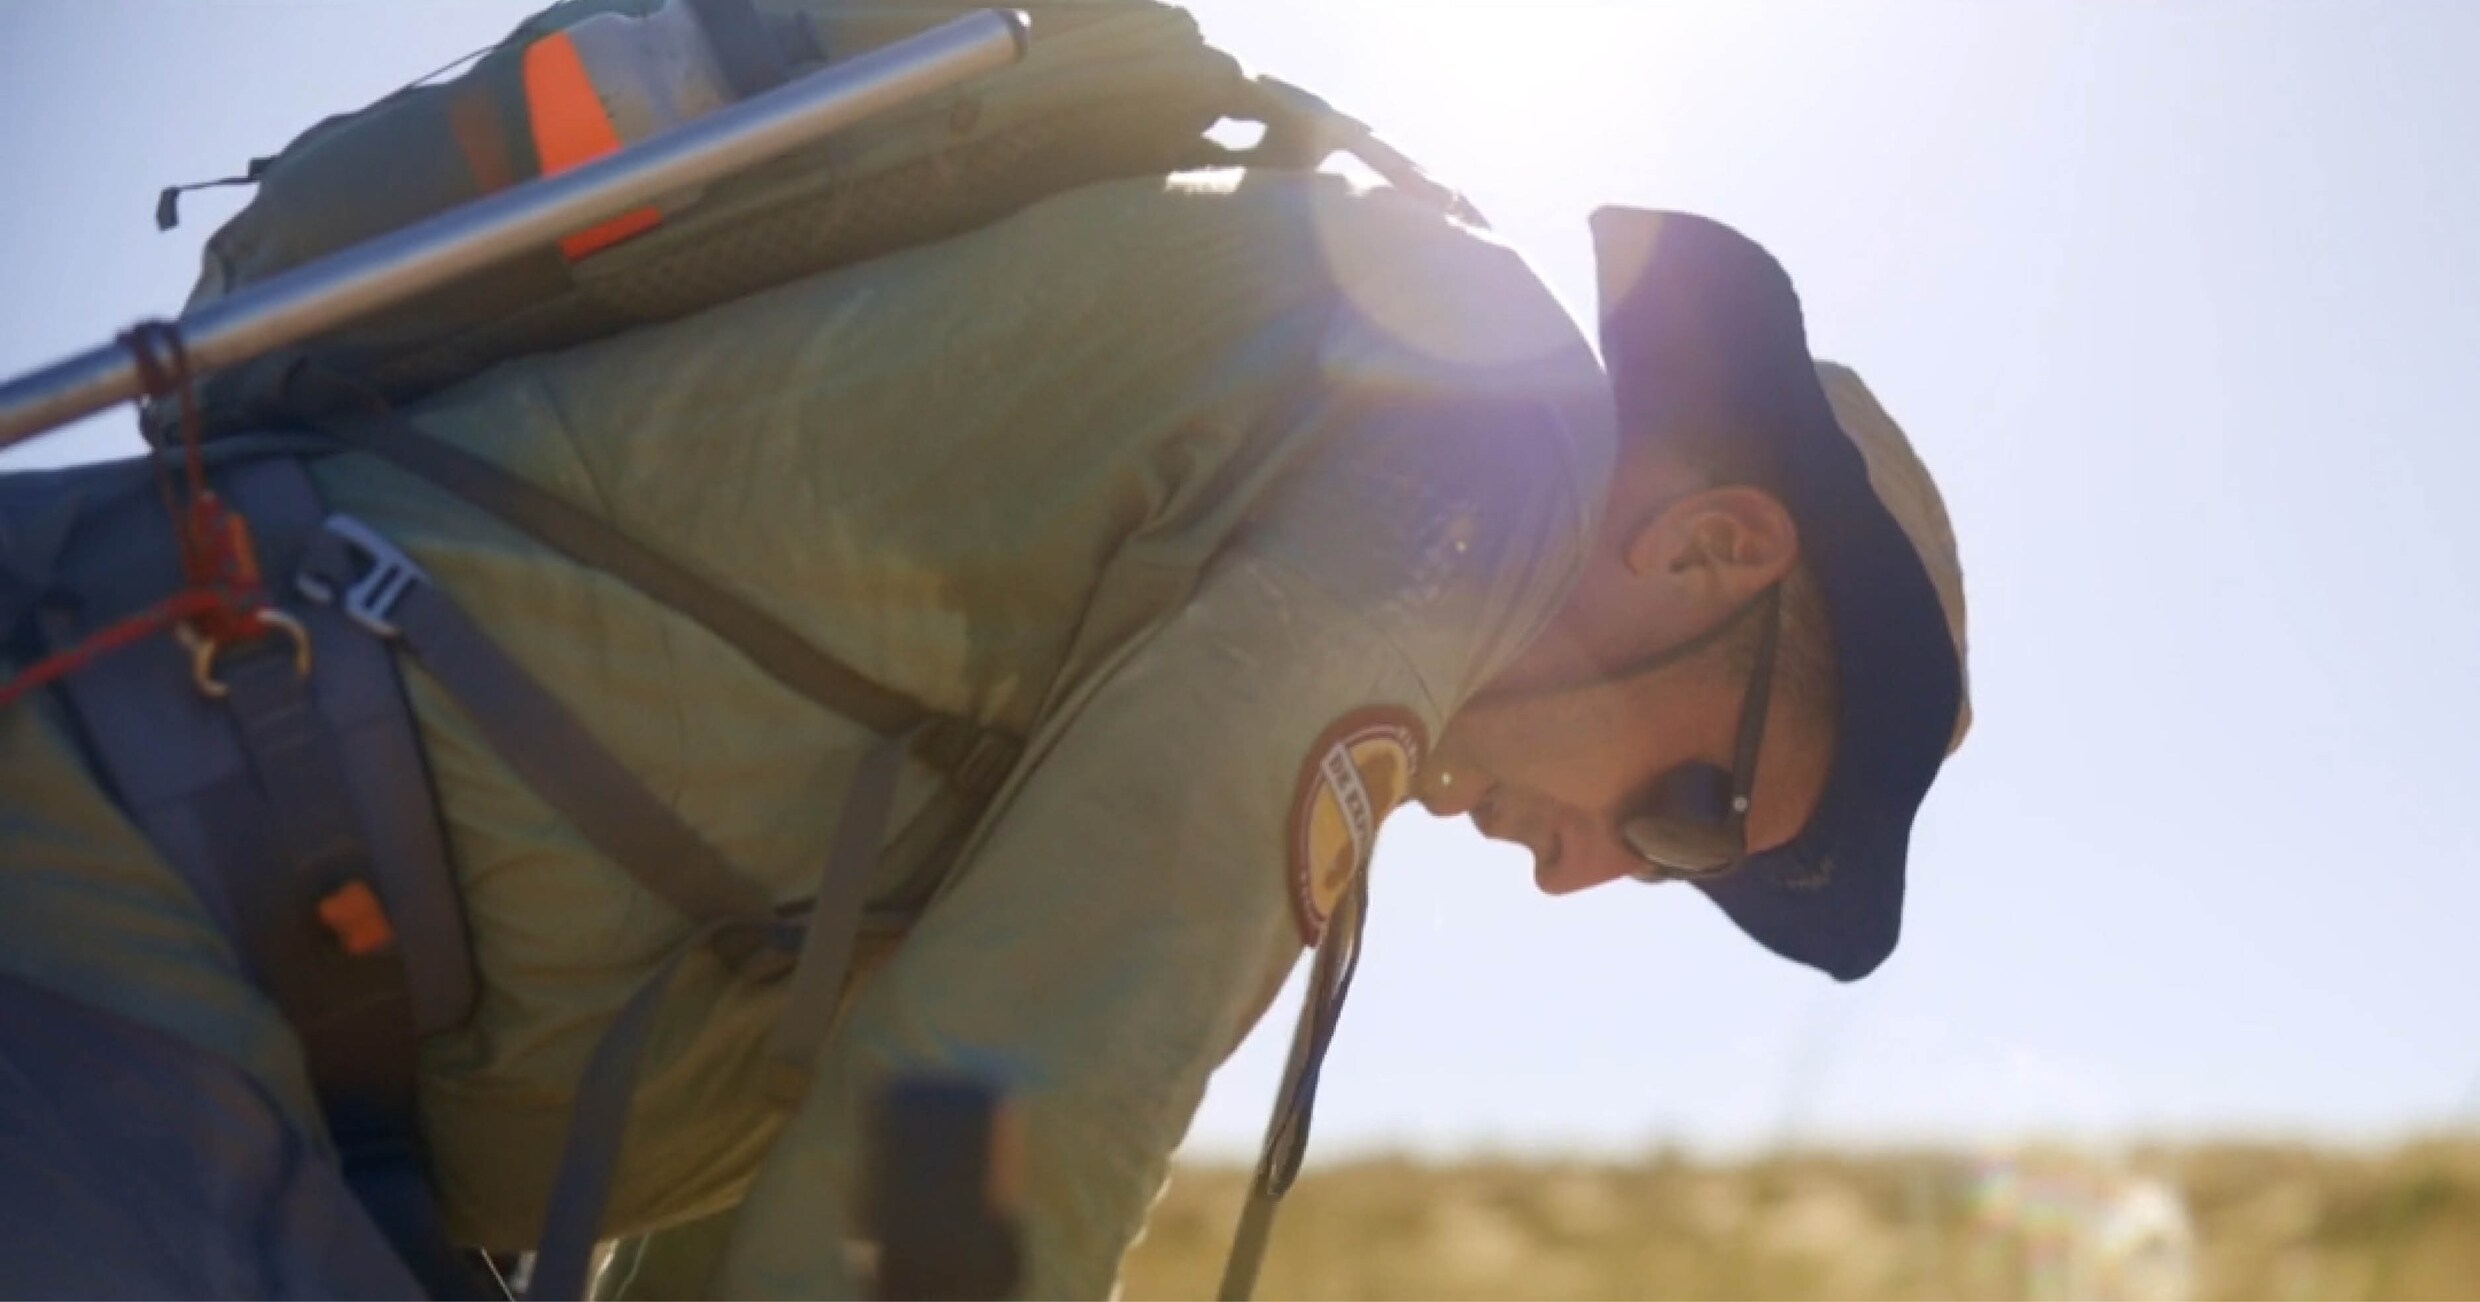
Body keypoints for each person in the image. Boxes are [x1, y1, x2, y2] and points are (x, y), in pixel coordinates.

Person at [0, 161, 1967, 1296]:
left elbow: (851, 1161)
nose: (1585, 869)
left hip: (191, 900)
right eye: (1698, 809)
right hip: (135, 880)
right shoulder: (1483, 453)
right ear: (1715, 545)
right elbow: (1010, 1100)